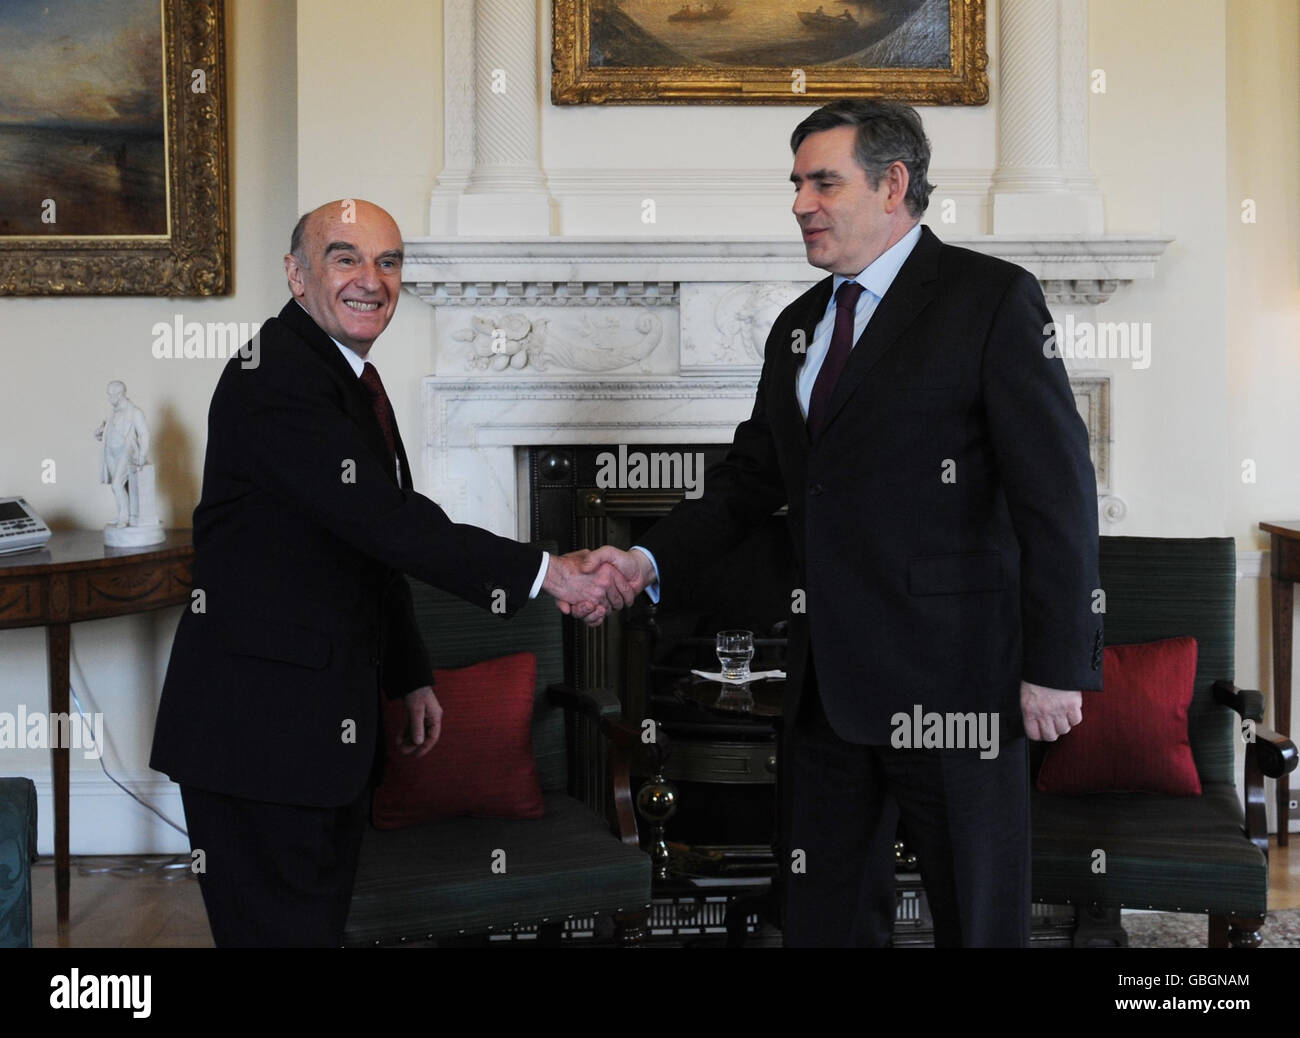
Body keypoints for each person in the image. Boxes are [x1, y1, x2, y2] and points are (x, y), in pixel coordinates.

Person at [583, 100, 1102, 946]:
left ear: (894, 184)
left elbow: (1059, 493)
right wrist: (642, 558)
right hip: (825, 687)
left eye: (824, 181)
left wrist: (1055, 665)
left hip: (959, 683)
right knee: (823, 917)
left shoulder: (991, 300)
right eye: (796, 183)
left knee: (978, 920)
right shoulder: (798, 326)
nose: (800, 203)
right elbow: (748, 485)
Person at [149, 199, 632, 947]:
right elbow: (388, 522)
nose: (371, 279)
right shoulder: (276, 375)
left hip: (312, 728)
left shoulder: (348, 377)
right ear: (297, 274)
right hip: (260, 734)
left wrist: (407, 673)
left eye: (389, 261)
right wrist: (552, 574)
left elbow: (371, 540)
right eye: (345, 257)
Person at [95, 380, 150, 527]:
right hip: (110, 452)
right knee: (120, 485)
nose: (108, 398)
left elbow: (143, 434)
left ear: (119, 395)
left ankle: (124, 517)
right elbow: (108, 430)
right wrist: (100, 434)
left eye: (110, 395)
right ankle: (124, 513)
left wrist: (142, 455)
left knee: (116, 485)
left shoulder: (135, 412)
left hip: (126, 451)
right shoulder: (112, 412)